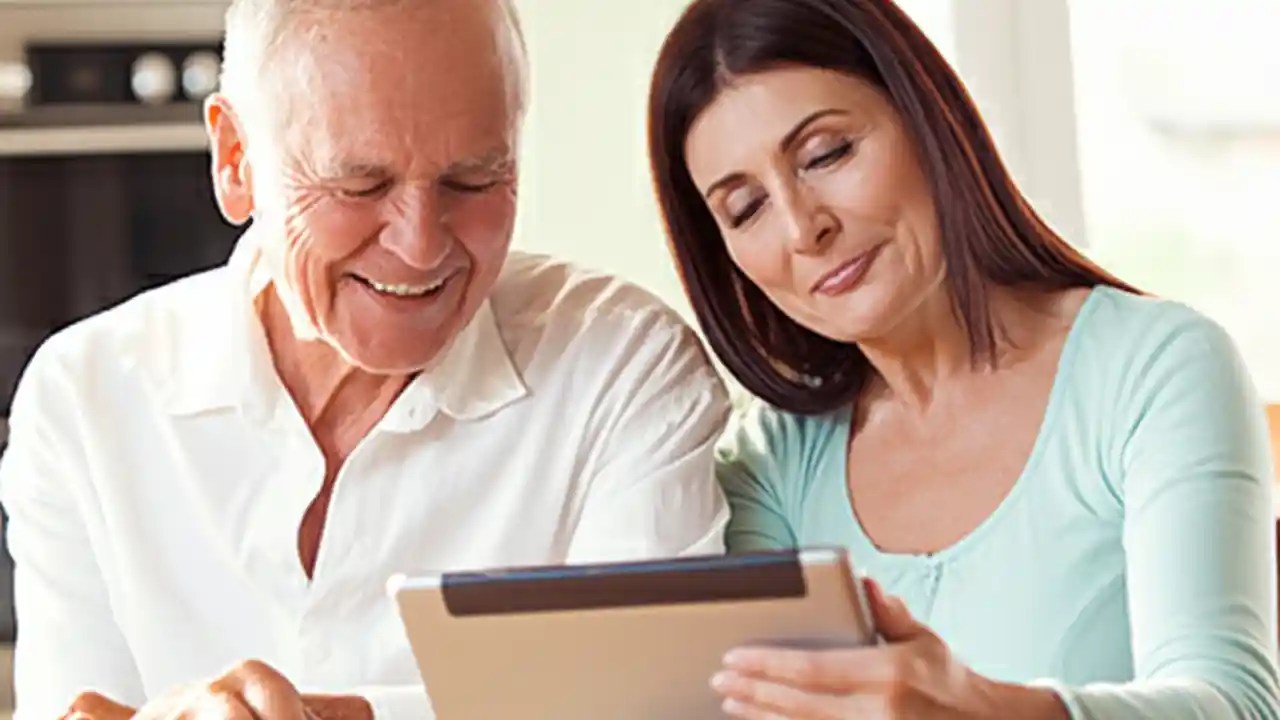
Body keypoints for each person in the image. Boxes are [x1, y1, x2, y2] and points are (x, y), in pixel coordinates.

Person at [0, 1, 731, 718]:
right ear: (236, 160)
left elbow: (655, 708)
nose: (421, 246)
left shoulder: (623, 371)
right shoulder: (83, 399)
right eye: (359, 185)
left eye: (472, 181)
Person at [647, 0, 1280, 717]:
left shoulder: (1153, 368)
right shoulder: (769, 467)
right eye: (745, 209)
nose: (803, 228)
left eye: (827, 155)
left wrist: (983, 709)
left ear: (927, 118)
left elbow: (1234, 703)